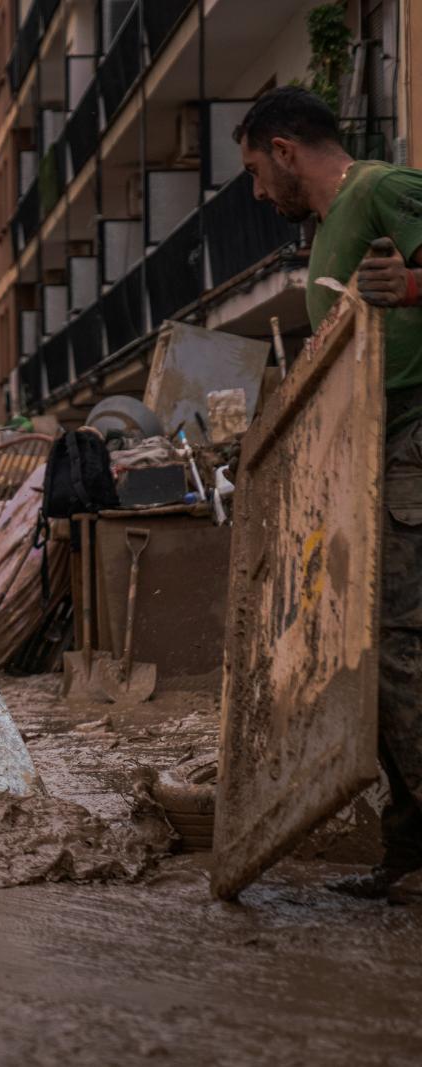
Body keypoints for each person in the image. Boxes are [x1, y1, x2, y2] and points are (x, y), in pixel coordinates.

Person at [236, 86, 422, 898]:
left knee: (397, 649)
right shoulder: (328, 238)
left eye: (254, 170)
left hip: (413, 441)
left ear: (284, 151)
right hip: (370, 454)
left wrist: (410, 285)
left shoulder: (380, 187)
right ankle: (407, 846)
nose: (256, 192)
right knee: (365, 656)